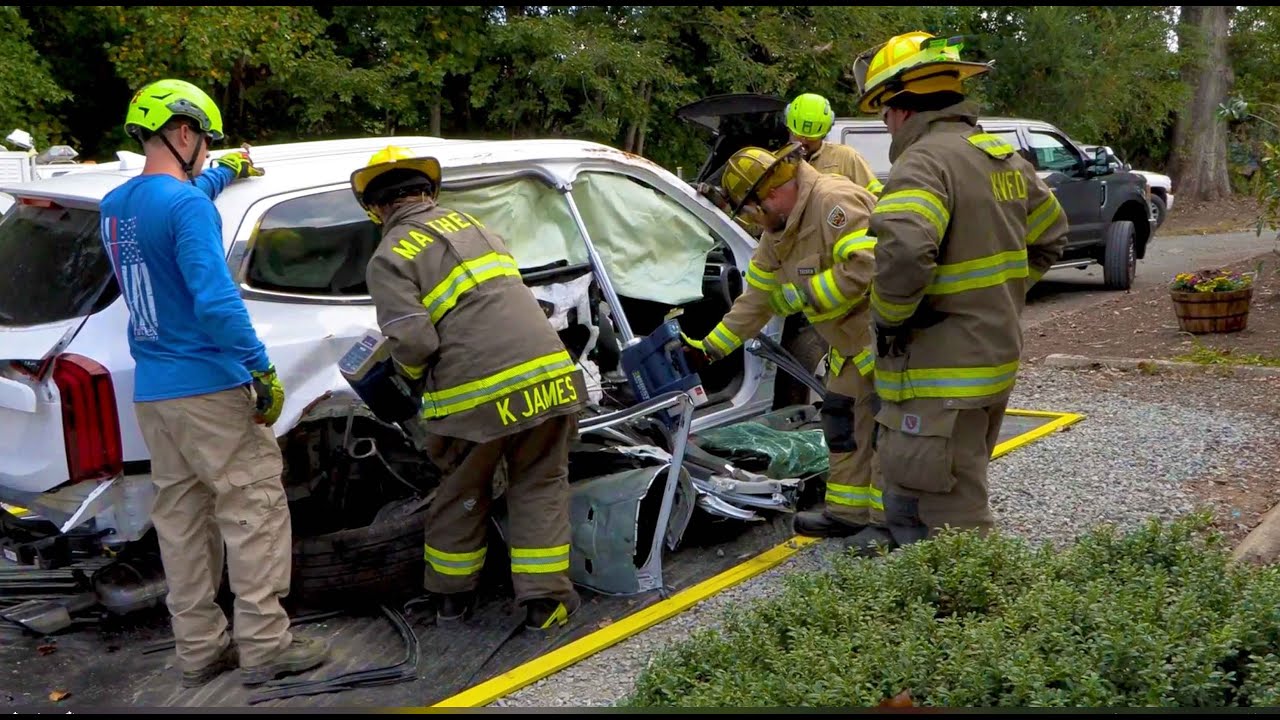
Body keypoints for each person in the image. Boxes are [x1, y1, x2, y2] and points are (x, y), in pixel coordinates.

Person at [100, 78, 329, 688]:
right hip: (209, 387)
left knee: (182, 521)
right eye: (205, 141)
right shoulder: (184, 207)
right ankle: (265, 644)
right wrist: (260, 367)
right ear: (184, 133)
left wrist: (220, 175)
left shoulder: (115, 205)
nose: (205, 149)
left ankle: (199, 650)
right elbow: (216, 299)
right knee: (253, 505)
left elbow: (173, 207)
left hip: (156, 393)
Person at [354, 145, 587, 630]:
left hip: (479, 398)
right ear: (427, 193)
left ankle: (450, 601)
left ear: (377, 208)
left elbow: (415, 340)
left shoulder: (387, 256)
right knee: (540, 483)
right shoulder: (477, 226)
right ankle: (546, 604)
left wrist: (407, 383)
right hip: (551, 374)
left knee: (463, 489)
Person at [852, 32, 1069, 547]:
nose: (886, 125)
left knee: (952, 508)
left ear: (900, 110)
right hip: (991, 355)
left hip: (941, 369)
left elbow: (904, 253)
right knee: (943, 471)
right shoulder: (1000, 157)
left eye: (883, 113)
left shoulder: (924, 162)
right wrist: (999, 296)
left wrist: (889, 318)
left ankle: (969, 615)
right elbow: (1052, 236)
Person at [683, 143, 891, 551]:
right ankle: (849, 513)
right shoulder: (777, 232)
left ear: (773, 193)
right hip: (851, 345)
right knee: (843, 421)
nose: (752, 220)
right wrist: (709, 349)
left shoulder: (835, 203)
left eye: (752, 210)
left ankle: (888, 525)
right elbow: (756, 300)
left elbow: (871, 265)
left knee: (890, 432)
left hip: (887, 339)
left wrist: (803, 296)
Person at [784, 92, 885, 196]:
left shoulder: (846, 157)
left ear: (825, 133)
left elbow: (875, 195)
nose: (804, 142)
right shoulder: (775, 164)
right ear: (788, 127)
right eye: (798, 135)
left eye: (812, 138)